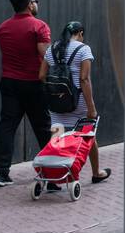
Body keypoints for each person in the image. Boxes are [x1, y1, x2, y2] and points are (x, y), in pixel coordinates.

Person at [40, 21, 111, 184]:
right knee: (88, 135)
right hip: (78, 101)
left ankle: (53, 177)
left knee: (57, 138)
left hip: (56, 102)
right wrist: (91, 107)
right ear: (80, 33)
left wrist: (56, 91)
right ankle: (96, 172)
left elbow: (41, 75)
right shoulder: (83, 49)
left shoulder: (52, 49)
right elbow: (84, 79)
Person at [0, 0, 52, 186]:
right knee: (44, 129)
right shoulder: (39, 26)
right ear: (30, 5)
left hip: (9, 83)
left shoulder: (3, 28)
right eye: (35, 1)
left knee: (7, 128)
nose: (37, 4)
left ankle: (1, 174)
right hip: (34, 83)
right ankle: (52, 176)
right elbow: (46, 56)